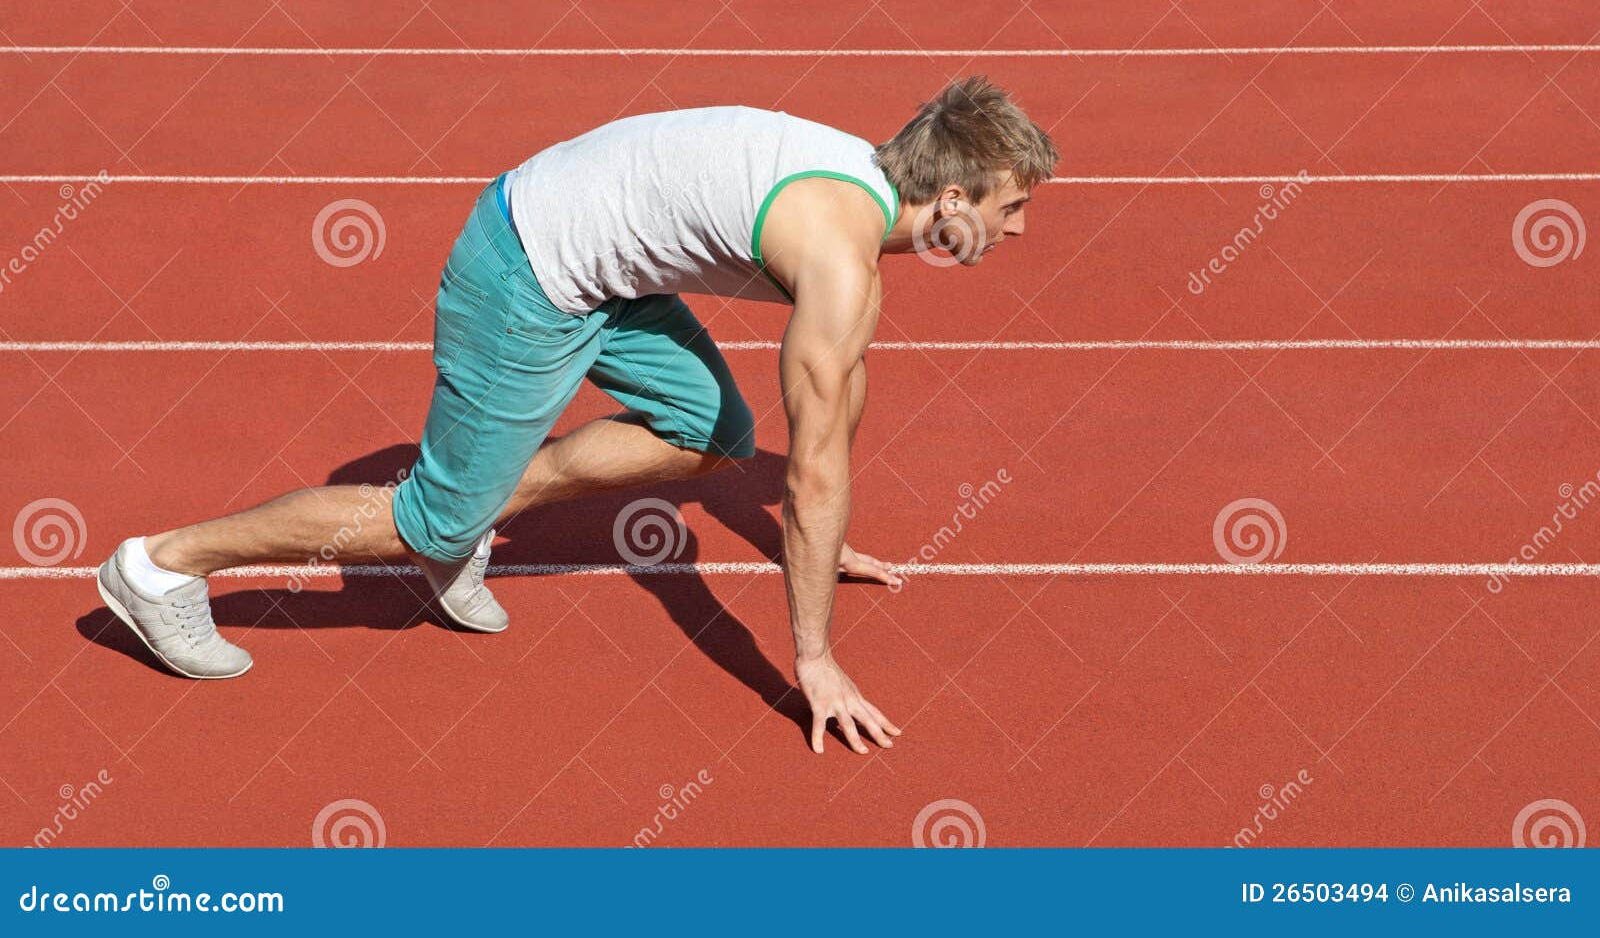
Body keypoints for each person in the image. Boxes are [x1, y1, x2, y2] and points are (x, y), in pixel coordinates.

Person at [94, 76, 1057, 755]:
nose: (1017, 230)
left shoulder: (869, 201)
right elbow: (810, 473)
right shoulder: (841, 257)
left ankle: (480, 514)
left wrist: (826, 534)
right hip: (525, 268)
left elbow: (840, 402)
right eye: (1012, 208)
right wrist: (813, 656)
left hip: (603, 259)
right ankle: (163, 564)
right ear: (955, 197)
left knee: (711, 436)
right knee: (430, 518)